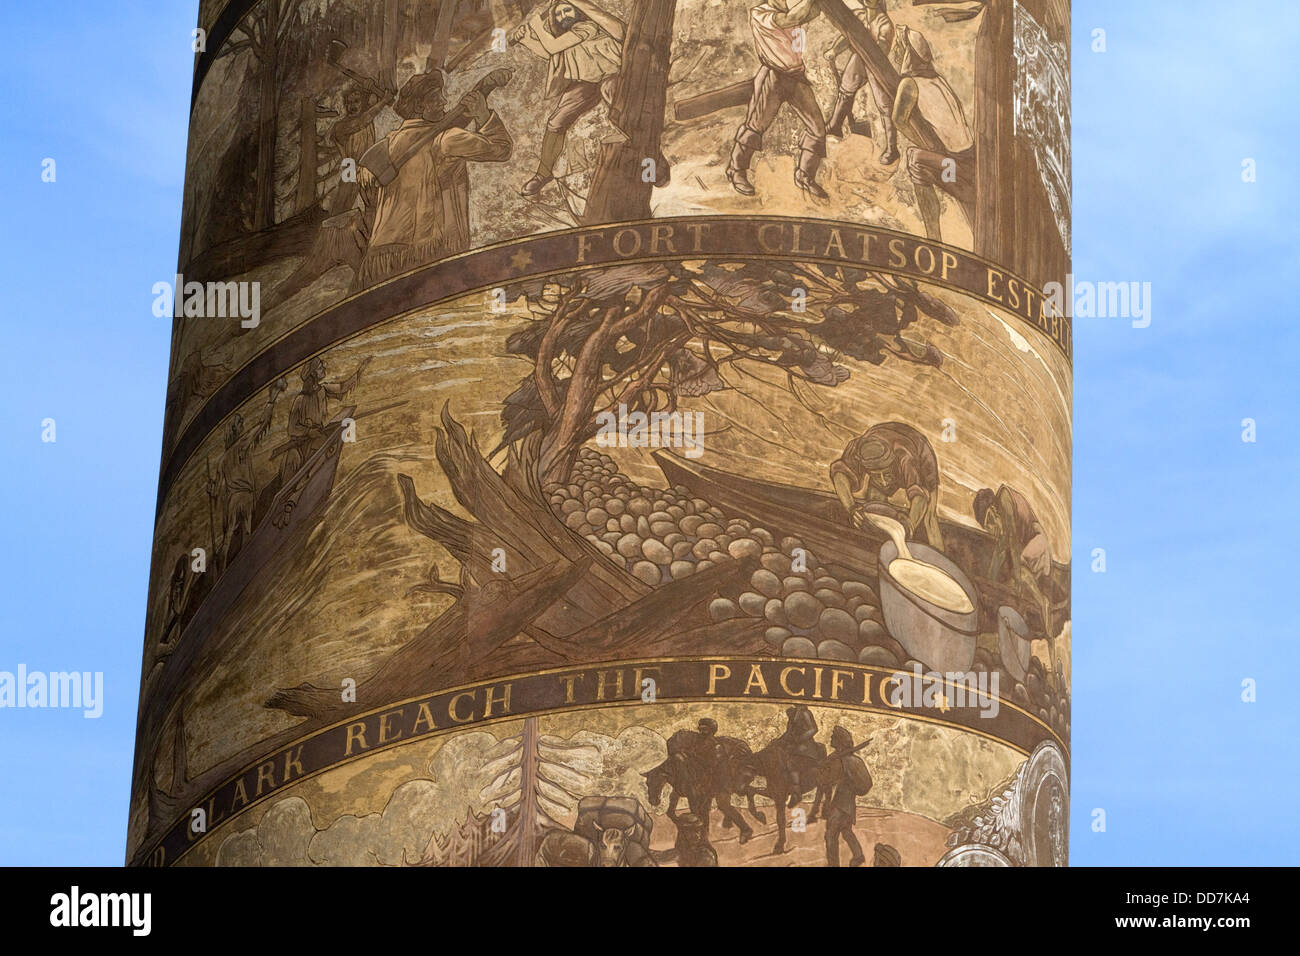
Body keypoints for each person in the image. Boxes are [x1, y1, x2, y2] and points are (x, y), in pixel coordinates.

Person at [356, 69, 512, 288]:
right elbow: (501, 150)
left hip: (381, 260)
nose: (444, 101)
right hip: (431, 255)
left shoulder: (388, 145)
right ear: (421, 107)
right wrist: (483, 115)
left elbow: (368, 191)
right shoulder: (448, 139)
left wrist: (486, 86)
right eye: (436, 98)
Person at [511, 2, 658, 198]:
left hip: (611, 75)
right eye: (559, 14)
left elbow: (552, 47)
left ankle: (650, 155)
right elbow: (550, 53)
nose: (563, 16)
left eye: (567, 10)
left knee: (620, 109)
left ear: (578, 11)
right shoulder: (566, 36)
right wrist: (526, 39)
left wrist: (536, 22)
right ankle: (543, 174)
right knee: (556, 122)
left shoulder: (588, 27)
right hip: (586, 83)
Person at [728, 0, 829, 199]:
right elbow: (791, 19)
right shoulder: (760, 13)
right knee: (755, 126)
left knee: (817, 128)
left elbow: (814, 11)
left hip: (796, 77)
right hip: (773, 77)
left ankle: (805, 175)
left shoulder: (791, 10)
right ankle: (736, 170)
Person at [887, 25, 974, 240]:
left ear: (908, 53)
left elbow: (899, 120)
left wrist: (927, 147)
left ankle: (933, 236)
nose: (896, 52)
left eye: (899, 47)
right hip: (967, 161)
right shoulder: (938, 80)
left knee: (915, 159)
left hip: (956, 168)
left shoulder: (910, 83)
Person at [975, 484, 1059, 682]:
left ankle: (1042, 601)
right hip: (1030, 548)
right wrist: (989, 579)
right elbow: (1000, 551)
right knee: (1014, 571)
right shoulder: (1002, 515)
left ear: (993, 510)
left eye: (989, 523)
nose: (991, 529)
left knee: (1018, 565)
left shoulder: (1004, 498)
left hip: (1038, 543)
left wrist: (1019, 581)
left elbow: (1012, 542)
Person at [830, 421, 943, 550]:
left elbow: (920, 497)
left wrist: (909, 525)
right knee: (874, 505)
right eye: (877, 475)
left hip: (920, 452)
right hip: (886, 448)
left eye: (887, 475)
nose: (884, 482)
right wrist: (851, 507)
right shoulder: (857, 449)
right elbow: (839, 475)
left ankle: (939, 560)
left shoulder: (906, 460)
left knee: (929, 518)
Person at [823, 0, 896, 162]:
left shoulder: (884, 24)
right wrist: (834, 50)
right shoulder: (860, 16)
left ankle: (892, 148)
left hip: (877, 64)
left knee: (885, 105)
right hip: (860, 57)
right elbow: (849, 36)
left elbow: (882, 50)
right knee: (846, 88)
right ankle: (835, 125)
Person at [278, 357, 368, 487]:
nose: (324, 369)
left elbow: (342, 387)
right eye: (320, 367)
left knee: (323, 447)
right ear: (313, 374)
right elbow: (292, 428)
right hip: (300, 444)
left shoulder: (322, 390)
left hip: (317, 437)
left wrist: (360, 371)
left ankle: (310, 482)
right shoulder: (300, 400)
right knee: (292, 465)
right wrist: (308, 432)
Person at [822, 726, 872, 867]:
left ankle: (833, 865)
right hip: (849, 803)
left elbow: (827, 781)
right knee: (846, 831)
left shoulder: (841, 761)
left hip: (840, 804)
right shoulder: (852, 760)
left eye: (833, 737)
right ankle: (858, 855)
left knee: (831, 835)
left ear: (839, 741)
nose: (830, 739)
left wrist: (826, 766)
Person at [777, 703, 821, 807]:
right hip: (794, 747)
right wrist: (779, 741)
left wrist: (799, 740)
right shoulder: (793, 714)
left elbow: (813, 729)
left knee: (792, 763)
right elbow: (789, 733)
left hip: (805, 749)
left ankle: (796, 794)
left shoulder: (805, 713)